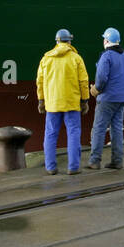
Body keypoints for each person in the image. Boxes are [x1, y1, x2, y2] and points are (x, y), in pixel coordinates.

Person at [35, 28, 89, 174]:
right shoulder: (76, 58)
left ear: (57, 41)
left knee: (51, 134)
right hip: (71, 102)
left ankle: (51, 167)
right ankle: (73, 167)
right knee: (73, 133)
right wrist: (84, 100)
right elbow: (83, 81)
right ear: (69, 41)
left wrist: (41, 100)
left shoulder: (46, 59)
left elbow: (39, 81)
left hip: (52, 103)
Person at [86, 27, 124, 170]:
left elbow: (101, 78)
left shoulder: (106, 56)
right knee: (117, 129)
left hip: (107, 98)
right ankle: (117, 161)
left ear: (106, 40)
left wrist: (96, 90)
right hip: (122, 98)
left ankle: (95, 161)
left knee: (99, 129)